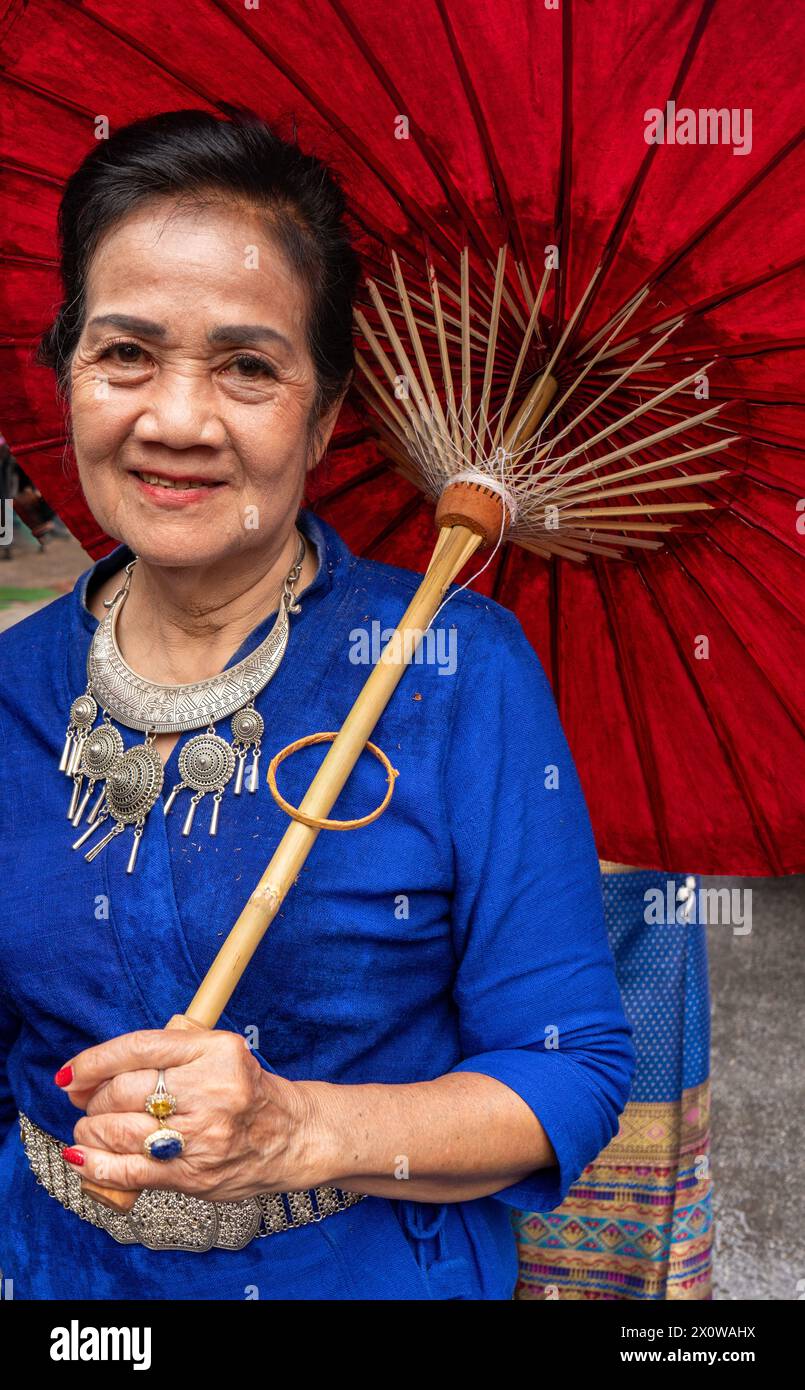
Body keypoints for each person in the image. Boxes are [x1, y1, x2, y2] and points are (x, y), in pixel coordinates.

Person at [0, 108, 634, 1301]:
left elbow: (571, 1073)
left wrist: (299, 1128)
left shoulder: (455, 667)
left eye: (248, 366)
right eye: (125, 352)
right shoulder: (9, 689)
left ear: (327, 413)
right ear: (65, 369)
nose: (175, 421)